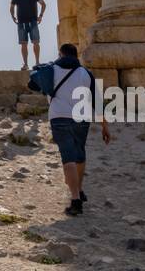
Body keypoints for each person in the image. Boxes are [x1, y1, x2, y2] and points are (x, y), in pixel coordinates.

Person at [29, 43, 110, 216]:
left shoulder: (51, 70)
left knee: (68, 157)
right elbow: (97, 101)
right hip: (82, 118)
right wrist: (104, 126)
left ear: (61, 54)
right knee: (80, 155)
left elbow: (33, 84)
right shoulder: (85, 73)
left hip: (59, 117)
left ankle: (75, 200)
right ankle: (79, 190)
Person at [9, 0, 47, 69]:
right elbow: (12, 7)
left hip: (33, 22)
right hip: (21, 23)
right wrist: (12, 16)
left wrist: (41, 16)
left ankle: (37, 63)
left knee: (35, 42)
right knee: (23, 44)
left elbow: (43, 4)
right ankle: (25, 64)